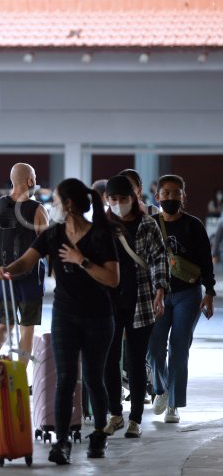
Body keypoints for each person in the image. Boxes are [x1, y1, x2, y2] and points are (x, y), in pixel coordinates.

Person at [0, 178, 120, 465]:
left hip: (99, 317)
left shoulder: (101, 236)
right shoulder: (53, 234)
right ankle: (61, 443)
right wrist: (8, 270)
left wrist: (81, 260)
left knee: (92, 378)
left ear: (69, 204)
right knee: (65, 379)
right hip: (65, 314)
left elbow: (113, 279)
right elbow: (28, 260)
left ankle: (99, 434)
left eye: (55, 201)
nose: (51, 206)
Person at [101, 176, 169, 439]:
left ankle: (136, 418)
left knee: (136, 361)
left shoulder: (148, 224)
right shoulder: (103, 226)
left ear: (134, 198)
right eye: (113, 199)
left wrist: (160, 291)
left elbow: (158, 259)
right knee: (109, 360)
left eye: (123, 199)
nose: (118, 204)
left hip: (141, 301)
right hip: (108, 303)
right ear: (107, 200)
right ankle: (115, 414)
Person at [148, 174, 216, 424]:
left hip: (188, 294)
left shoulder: (193, 225)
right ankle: (161, 389)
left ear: (183, 197)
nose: (171, 197)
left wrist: (209, 292)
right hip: (157, 295)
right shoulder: (150, 224)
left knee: (179, 349)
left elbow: (205, 262)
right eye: (166, 193)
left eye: (176, 193)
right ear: (157, 196)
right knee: (154, 348)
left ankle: (174, 405)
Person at [0, 163, 48, 367]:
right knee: (27, 327)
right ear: (30, 180)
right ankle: (20, 371)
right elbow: (45, 242)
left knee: (5, 324)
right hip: (30, 277)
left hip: (2, 275)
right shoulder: (37, 209)